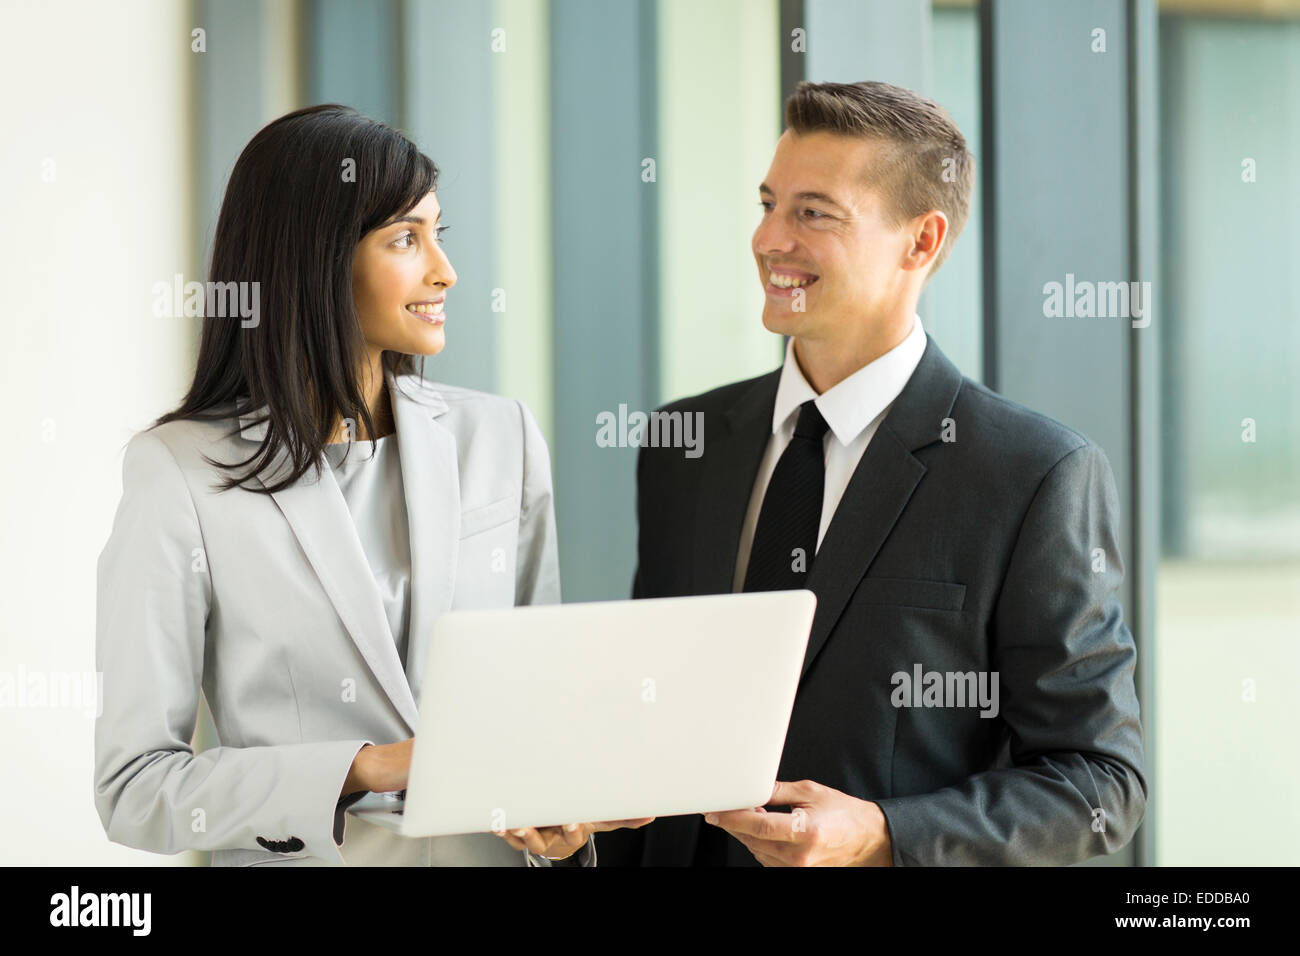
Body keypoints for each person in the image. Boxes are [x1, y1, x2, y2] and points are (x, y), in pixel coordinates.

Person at [597, 80, 1147, 866]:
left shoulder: (1032, 475)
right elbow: (654, 710)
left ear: (920, 242)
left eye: (813, 212)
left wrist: (885, 834)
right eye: (767, 205)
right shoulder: (686, 443)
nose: (769, 240)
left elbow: (1099, 782)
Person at [93, 104, 646, 866]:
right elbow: (136, 788)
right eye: (404, 239)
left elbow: (532, 715)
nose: (444, 271)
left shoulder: (501, 437)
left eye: (438, 234)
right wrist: (363, 767)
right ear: (315, 260)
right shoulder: (181, 474)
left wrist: (558, 813)